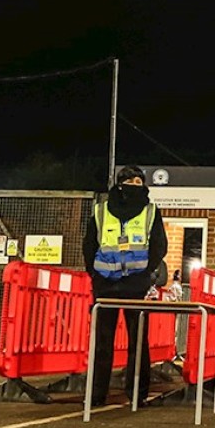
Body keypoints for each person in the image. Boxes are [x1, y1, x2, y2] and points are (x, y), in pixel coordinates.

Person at [82, 164, 168, 406]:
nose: (134, 186)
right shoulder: (101, 211)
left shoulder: (150, 211)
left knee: (138, 343)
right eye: (130, 182)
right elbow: (89, 244)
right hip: (105, 286)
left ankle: (137, 395)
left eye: (139, 182)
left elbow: (159, 245)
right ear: (120, 184)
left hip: (135, 286)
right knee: (102, 344)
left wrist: (146, 272)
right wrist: (95, 275)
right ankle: (96, 395)